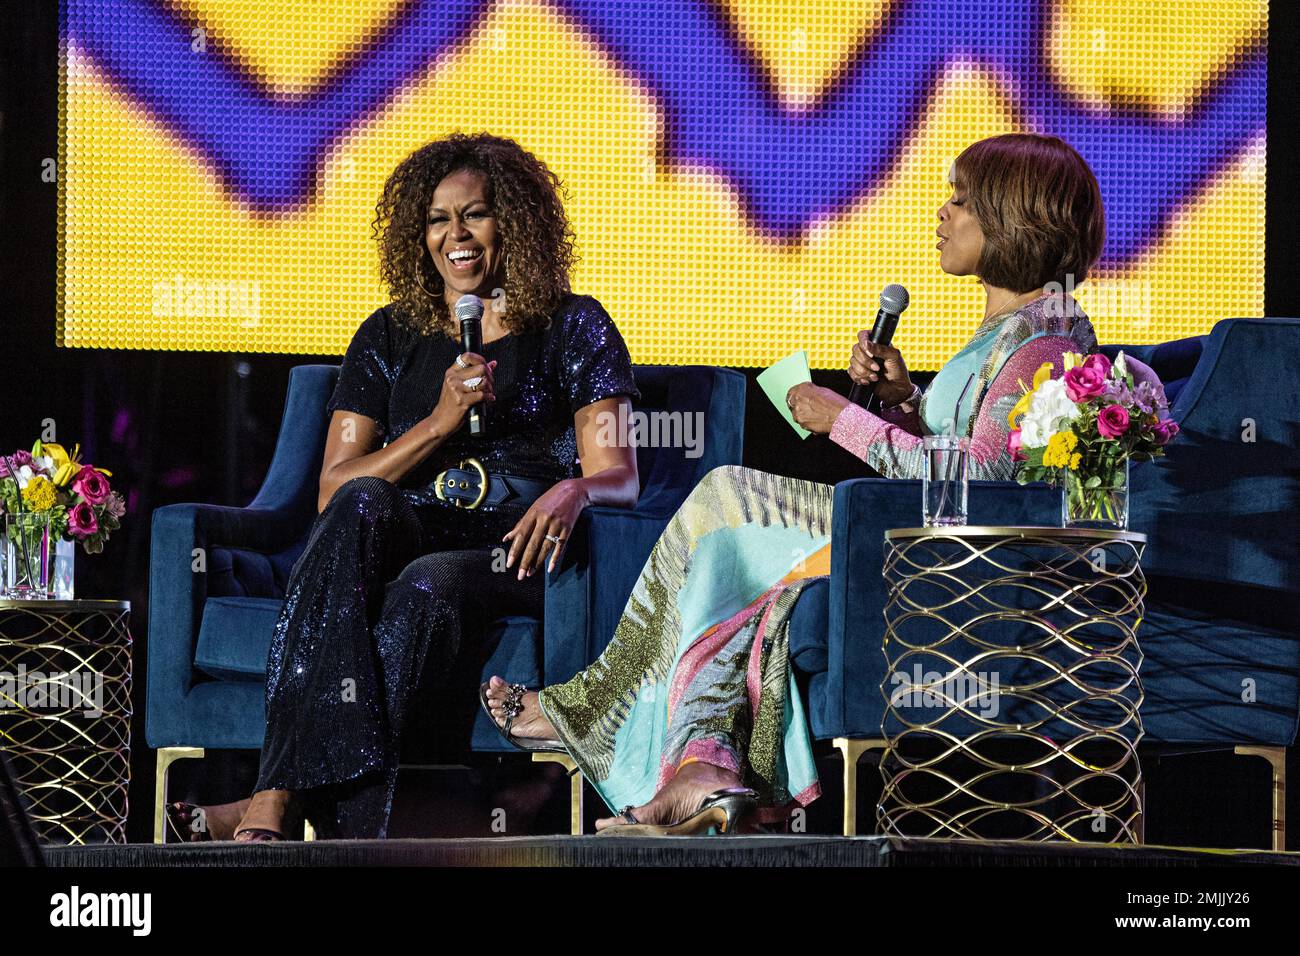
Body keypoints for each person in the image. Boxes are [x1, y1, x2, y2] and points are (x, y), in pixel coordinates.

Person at [484, 132, 1106, 834]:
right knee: (726, 561)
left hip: (941, 552)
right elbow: (969, 447)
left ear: (1013, 220)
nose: (942, 213)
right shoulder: (1010, 333)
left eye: (960, 202)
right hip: (913, 531)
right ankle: (705, 768)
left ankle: (590, 713)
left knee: (724, 497)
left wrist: (845, 418)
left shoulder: (1043, 344)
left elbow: (983, 479)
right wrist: (905, 400)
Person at [168, 132, 640, 841]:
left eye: (475, 214)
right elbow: (333, 492)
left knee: (428, 584)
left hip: (512, 549)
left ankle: (301, 806)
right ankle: (297, 798)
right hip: (406, 529)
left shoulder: (574, 326)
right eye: (437, 220)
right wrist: (439, 422)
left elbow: (621, 476)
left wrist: (574, 491)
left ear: (512, 222)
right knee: (364, 506)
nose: (456, 236)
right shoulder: (388, 336)